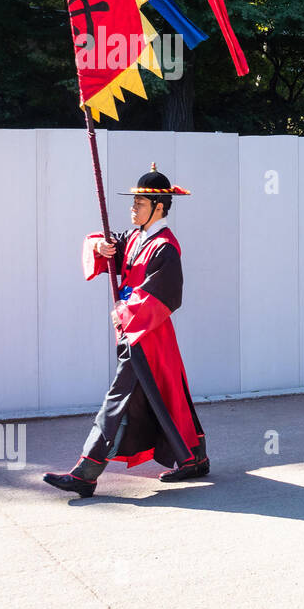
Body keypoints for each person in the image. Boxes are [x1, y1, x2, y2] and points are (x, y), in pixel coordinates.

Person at [43, 165, 208, 498]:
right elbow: (113, 255)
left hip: (148, 333)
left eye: (139, 204)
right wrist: (103, 249)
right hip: (135, 330)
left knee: (117, 399)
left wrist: (125, 312)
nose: (133, 208)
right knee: (165, 396)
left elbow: (165, 295)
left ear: (159, 207)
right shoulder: (135, 237)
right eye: (133, 203)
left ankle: (86, 473)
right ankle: (194, 458)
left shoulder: (166, 247)